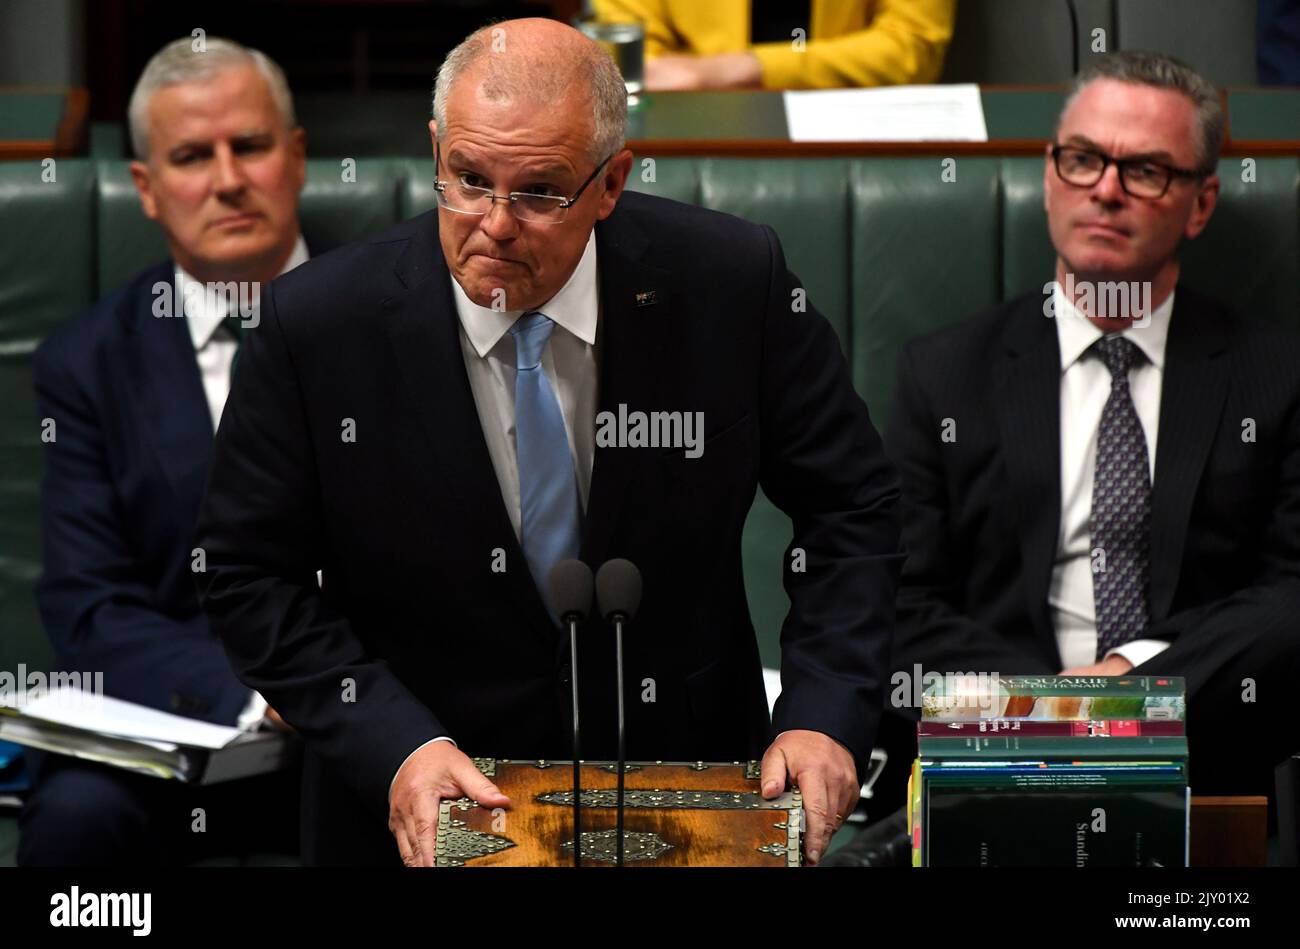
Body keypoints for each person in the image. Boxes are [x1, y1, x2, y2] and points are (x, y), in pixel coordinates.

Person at [194, 17, 902, 867]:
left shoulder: (730, 284)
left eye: (538, 191)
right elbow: (246, 576)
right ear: (435, 149)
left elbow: (854, 504)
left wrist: (825, 711)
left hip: (691, 795)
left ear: (611, 184)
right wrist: (395, 746)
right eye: (467, 179)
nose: (493, 224)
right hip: (419, 808)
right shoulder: (318, 325)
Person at [882, 50, 1300, 806]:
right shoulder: (943, 375)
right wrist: (1044, 711)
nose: (1105, 191)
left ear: (1201, 203)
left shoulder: (1276, 377)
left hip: (1206, 762)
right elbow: (902, 605)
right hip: (995, 763)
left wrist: (1126, 686)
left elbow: (1289, 599)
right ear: (1049, 175)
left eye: (1144, 170)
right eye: (1082, 160)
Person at [19, 37, 309, 865]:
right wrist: (258, 697)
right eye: (190, 156)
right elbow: (91, 609)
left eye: (249, 147)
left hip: (370, 716)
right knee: (76, 818)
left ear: (294, 156)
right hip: (183, 718)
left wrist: (341, 690)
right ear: (145, 187)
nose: (226, 180)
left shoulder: (398, 317)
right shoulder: (86, 364)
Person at [593, 0, 954, 90]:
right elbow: (634, 61)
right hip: (693, 137)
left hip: (851, 136)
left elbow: (913, 47)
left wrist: (746, 66)